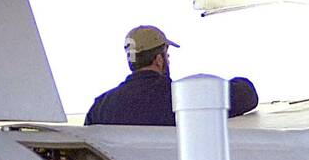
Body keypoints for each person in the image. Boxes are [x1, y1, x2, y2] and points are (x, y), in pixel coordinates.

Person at [85, 25, 258, 125]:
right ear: (159, 60)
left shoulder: (101, 106)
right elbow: (247, 95)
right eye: (167, 55)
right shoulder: (183, 97)